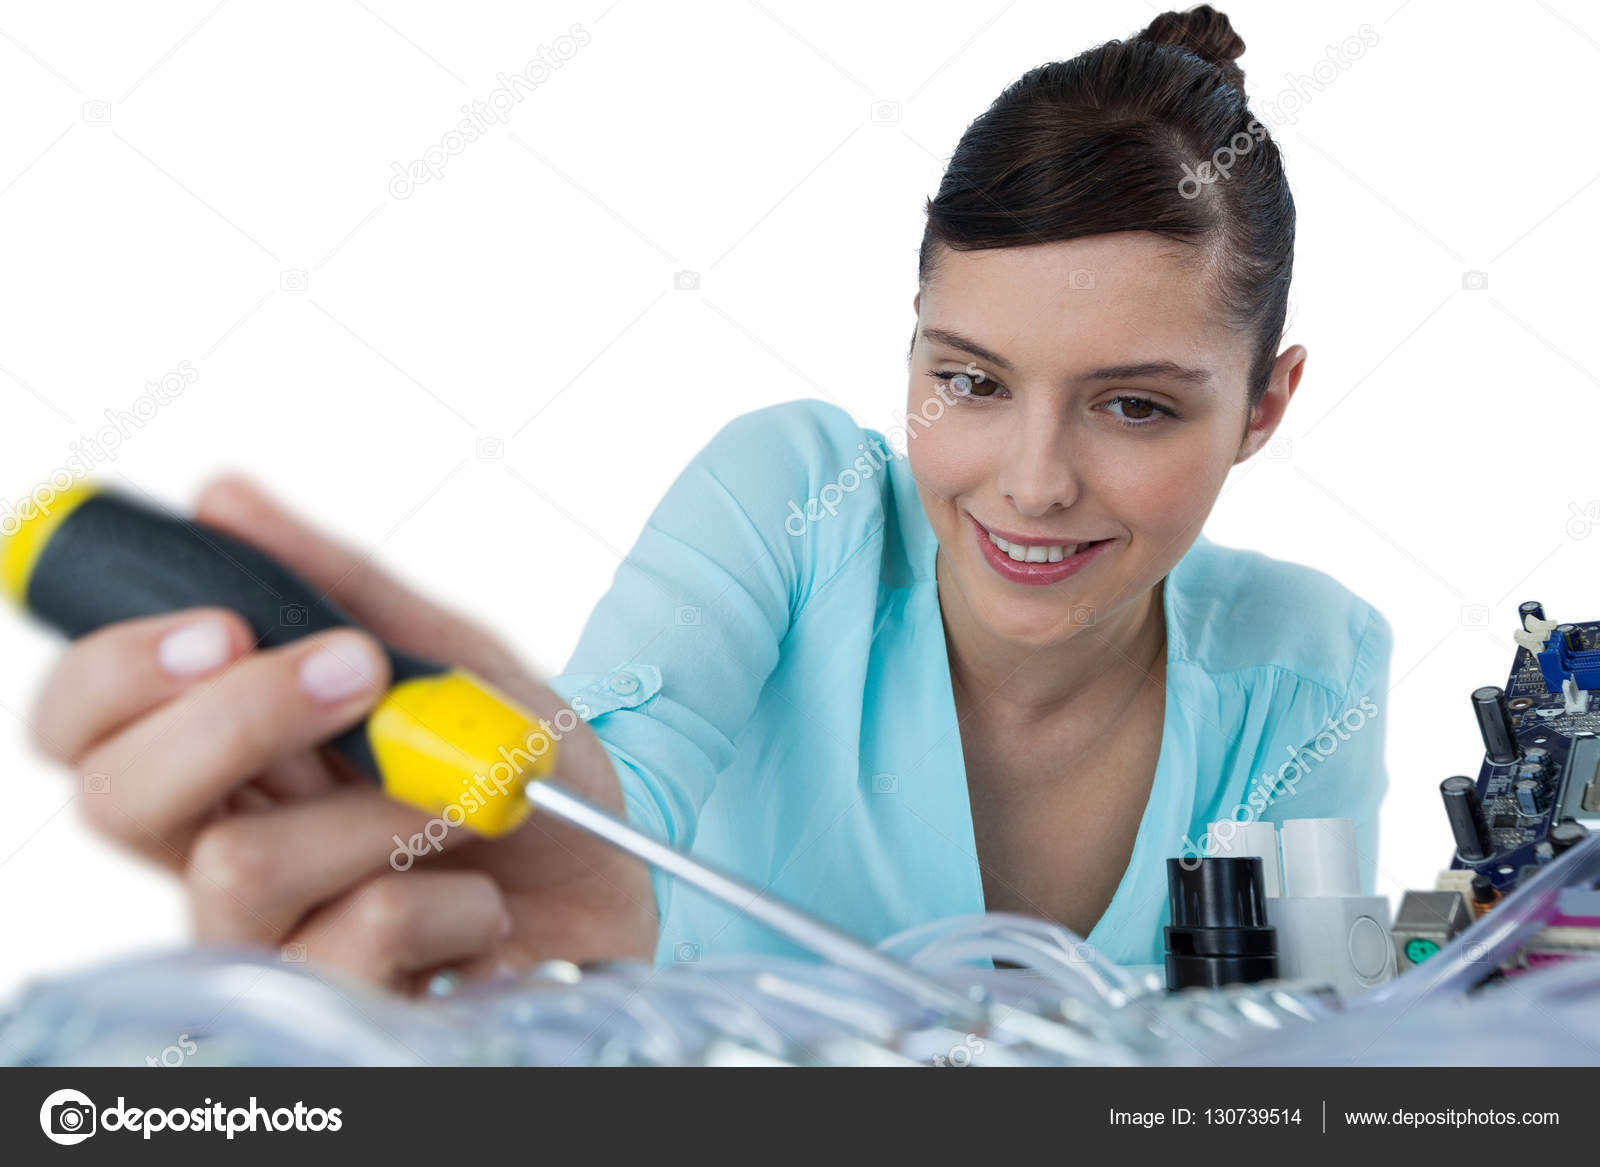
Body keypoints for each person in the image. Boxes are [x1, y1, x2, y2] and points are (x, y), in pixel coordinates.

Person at [29, 5, 1391, 990]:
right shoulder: (793, 503)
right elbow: (612, 798)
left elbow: (1326, 1048)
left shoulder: (1311, 663)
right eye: (972, 383)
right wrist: (538, 840)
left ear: (1265, 403)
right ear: (915, 345)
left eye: (1136, 404)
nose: (1032, 483)